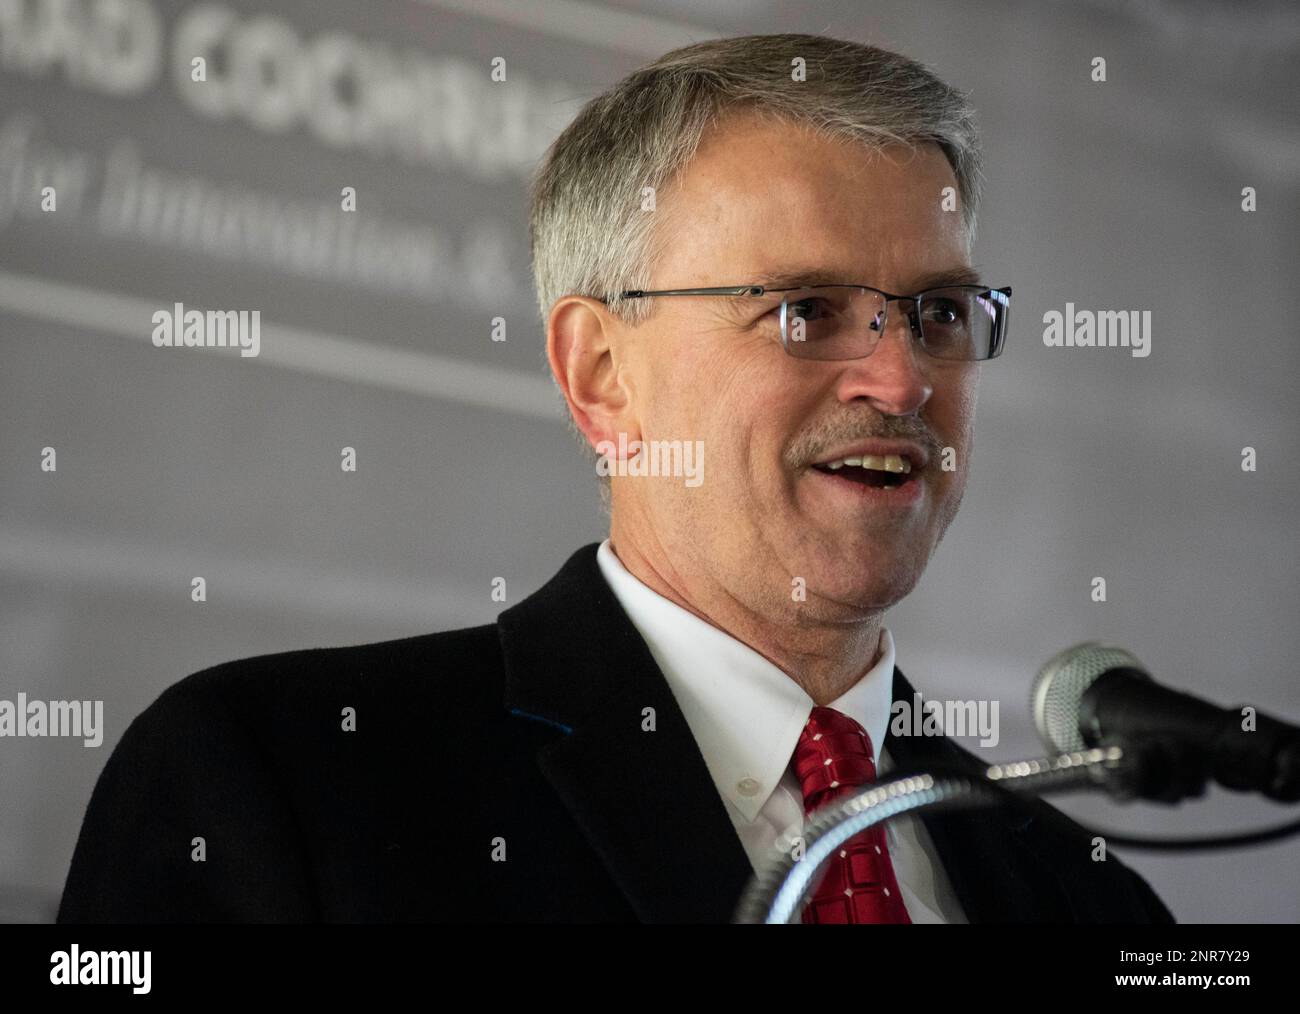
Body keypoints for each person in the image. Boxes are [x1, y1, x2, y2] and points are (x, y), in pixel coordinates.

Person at [58, 33, 1172, 924]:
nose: (897, 377)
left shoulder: (1084, 892)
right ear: (601, 374)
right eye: (805, 312)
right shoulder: (278, 783)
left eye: (936, 313)